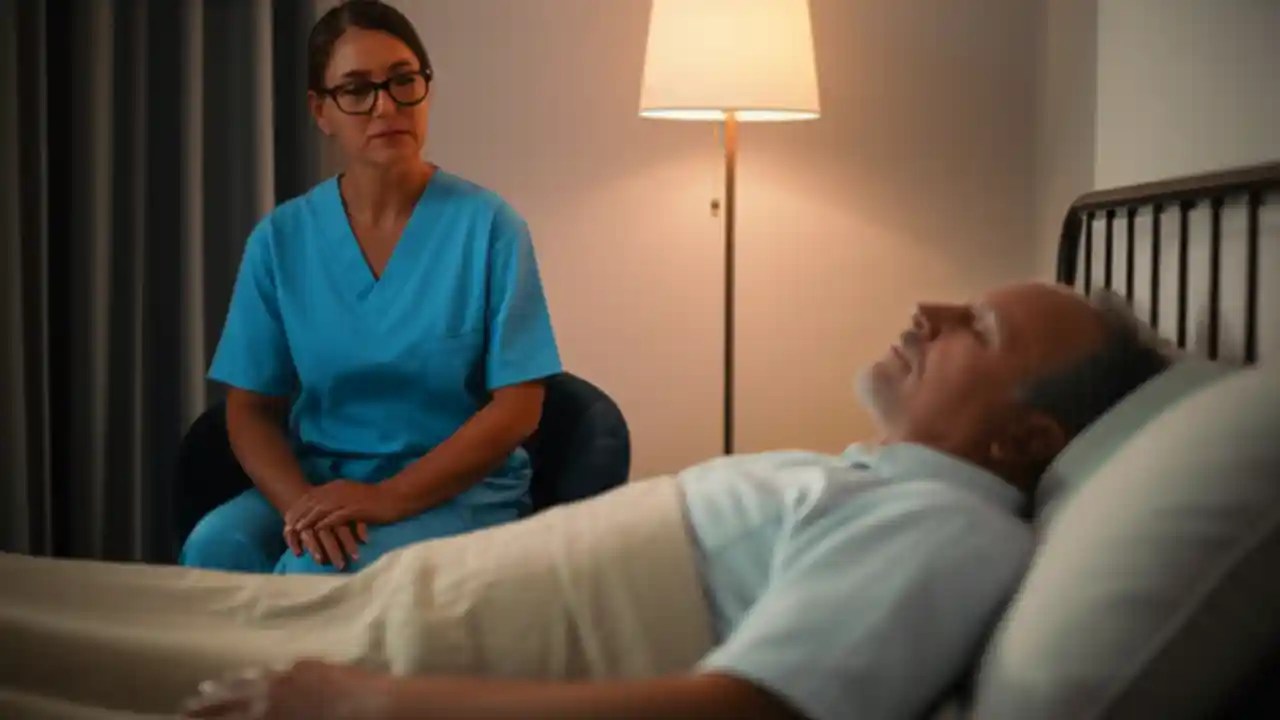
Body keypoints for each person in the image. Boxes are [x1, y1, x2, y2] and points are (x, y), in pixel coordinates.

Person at [171, 281, 1172, 720]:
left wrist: (366, 704)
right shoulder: (879, 485)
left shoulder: (945, 527)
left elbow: (743, 710)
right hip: (396, 604)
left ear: (1023, 440)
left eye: (978, 329)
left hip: (411, 646)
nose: (927, 310)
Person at [179, 0, 562, 575]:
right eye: (356, 89)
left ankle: (298, 671)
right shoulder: (281, 239)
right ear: (321, 111)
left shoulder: (489, 227)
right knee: (215, 547)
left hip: (452, 492)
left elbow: (518, 409)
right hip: (319, 481)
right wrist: (300, 508)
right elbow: (250, 410)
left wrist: (386, 498)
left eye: (403, 81)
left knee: (312, 573)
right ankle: (233, 672)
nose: (386, 105)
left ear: (425, 91)